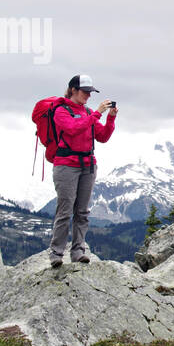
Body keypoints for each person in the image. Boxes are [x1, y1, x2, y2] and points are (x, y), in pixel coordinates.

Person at [49, 73, 117, 267]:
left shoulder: (88, 113)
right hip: (66, 165)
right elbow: (72, 129)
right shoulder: (61, 110)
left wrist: (110, 119)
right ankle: (56, 252)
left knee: (82, 212)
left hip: (87, 165)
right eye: (85, 92)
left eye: (90, 92)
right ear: (73, 90)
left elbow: (102, 136)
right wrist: (97, 114)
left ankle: (78, 250)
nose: (88, 96)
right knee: (65, 210)